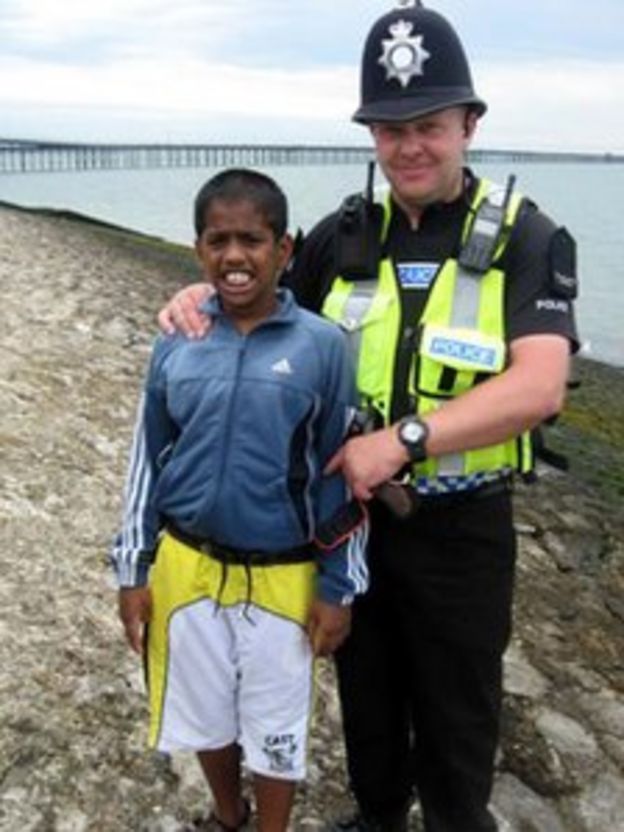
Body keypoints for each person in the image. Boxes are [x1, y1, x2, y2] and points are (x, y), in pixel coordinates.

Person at [157, 3, 579, 830]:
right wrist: (199, 296)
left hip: (463, 532)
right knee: (370, 706)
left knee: (459, 721)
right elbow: (256, 299)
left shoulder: (529, 240)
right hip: (354, 528)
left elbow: (541, 387)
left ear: (469, 124)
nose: (409, 146)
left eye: (428, 125)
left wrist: (405, 439)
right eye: (389, 129)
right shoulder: (342, 238)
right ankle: (378, 816)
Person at [110, 168, 368, 832]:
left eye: (251, 239)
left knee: (276, 727)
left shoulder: (323, 346)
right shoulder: (178, 339)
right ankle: (230, 815)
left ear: (283, 250)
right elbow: (147, 457)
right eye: (218, 240)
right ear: (198, 249)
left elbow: (342, 473)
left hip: (284, 574)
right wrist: (132, 570)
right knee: (204, 716)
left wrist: (340, 585)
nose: (234, 256)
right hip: (187, 564)